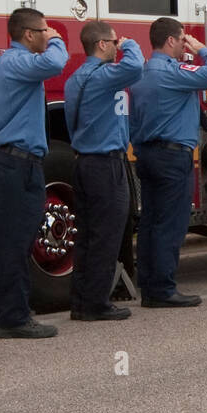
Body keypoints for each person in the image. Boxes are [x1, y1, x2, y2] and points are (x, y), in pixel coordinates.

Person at [128, 17, 207, 307]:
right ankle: (163, 289)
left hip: (146, 153)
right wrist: (201, 49)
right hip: (172, 156)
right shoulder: (174, 72)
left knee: (150, 223)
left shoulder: (141, 73)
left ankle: (149, 286)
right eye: (182, 39)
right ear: (170, 41)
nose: (185, 43)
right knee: (170, 224)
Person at [0, 7, 68, 338]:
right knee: (15, 243)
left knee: (9, 241)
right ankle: (13, 318)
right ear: (29, 34)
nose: (48, 35)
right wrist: (58, 40)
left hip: (14, 163)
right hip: (17, 164)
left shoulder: (12, 64)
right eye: (44, 31)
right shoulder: (18, 62)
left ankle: (8, 312)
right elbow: (56, 63)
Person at [64, 20, 144, 322]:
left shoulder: (75, 79)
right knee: (107, 235)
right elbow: (135, 67)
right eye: (113, 42)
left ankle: (81, 300)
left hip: (84, 160)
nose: (116, 46)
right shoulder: (106, 75)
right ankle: (96, 303)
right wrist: (130, 44)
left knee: (85, 235)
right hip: (106, 162)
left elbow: (72, 119)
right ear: (101, 44)